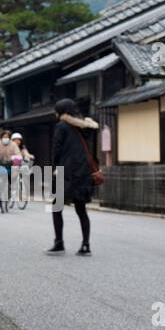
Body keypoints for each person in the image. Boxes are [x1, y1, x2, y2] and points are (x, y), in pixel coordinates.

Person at [46, 98, 99, 255]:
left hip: (66, 172)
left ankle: (59, 243)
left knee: (57, 207)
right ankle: (85, 245)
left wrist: (54, 168)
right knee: (81, 209)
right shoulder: (86, 127)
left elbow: (56, 149)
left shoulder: (61, 126)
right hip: (83, 173)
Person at [0, 129, 20, 213]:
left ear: (10, 138)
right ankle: (0, 198)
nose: (5, 138)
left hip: (10, 166)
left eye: (7, 137)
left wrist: (14, 160)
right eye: (4, 137)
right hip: (0, 165)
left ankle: (8, 196)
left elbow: (18, 154)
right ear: (1, 137)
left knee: (10, 183)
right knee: (0, 182)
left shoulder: (13, 145)